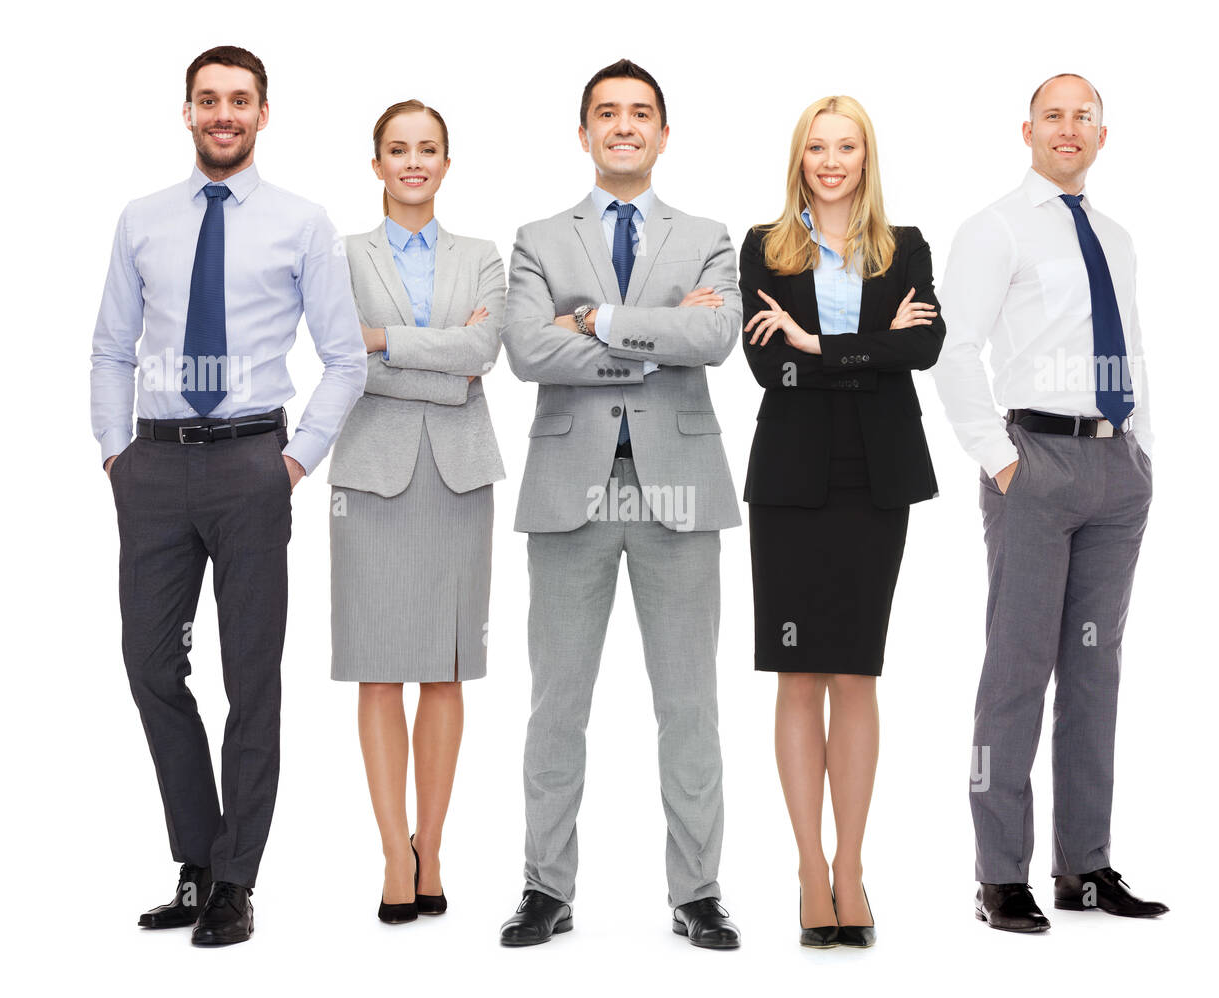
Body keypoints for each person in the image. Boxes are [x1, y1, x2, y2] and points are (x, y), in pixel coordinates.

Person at [90, 45, 367, 946]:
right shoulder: (143, 220)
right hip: (158, 468)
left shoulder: (302, 222)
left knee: (252, 678)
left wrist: (292, 463)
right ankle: (196, 858)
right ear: (187, 112)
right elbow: (110, 348)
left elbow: (344, 357)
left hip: (252, 464)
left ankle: (235, 878)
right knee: (151, 667)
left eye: (239, 100)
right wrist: (115, 456)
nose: (223, 114)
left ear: (262, 113)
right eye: (208, 100)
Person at [497, 58, 743, 949]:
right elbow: (525, 350)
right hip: (571, 493)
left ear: (664, 133)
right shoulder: (536, 235)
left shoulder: (710, 233)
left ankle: (699, 890)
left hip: (681, 489)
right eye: (609, 114)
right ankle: (544, 888)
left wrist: (594, 321)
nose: (625, 126)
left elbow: (714, 336)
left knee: (690, 704)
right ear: (585, 132)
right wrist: (653, 337)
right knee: (557, 703)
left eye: (641, 114)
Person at [931, 73, 1167, 934]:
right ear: (1027, 129)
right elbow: (952, 348)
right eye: (1055, 116)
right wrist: (1000, 462)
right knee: (1017, 671)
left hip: (1115, 471)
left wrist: (1145, 451)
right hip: (1032, 463)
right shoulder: (995, 229)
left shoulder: (1116, 236)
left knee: (1096, 671)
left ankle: (1086, 867)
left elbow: (1131, 348)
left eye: (1085, 118)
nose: (1069, 130)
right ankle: (1001, 874)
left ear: (1104, 135)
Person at [740, 96, 943, 949]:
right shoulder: (763, 247)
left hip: (875, 478)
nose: (831, 160)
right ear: (800, 158)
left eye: (846, 146)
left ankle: (851, 867)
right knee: (798, 676)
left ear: (867, 158)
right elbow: (762, 362)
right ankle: (807, 869)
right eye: (817, 147)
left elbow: (924, 351)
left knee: (856, 672)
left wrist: (817, 344)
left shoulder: (907, 248)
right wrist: (866, 346)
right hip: (789, 480)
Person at [327, 100, 505, 924]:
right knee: (377, 664)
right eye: (397, 149)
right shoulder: (341, 257)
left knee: (444, 665)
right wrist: (442, 361)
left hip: (459, 475)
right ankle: (389, 850)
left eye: (426, 149)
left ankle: (431, 848)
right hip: (370, 475)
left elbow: (485, 354)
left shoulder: (483, 257)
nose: (412, 162)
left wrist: (386, 339)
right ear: (376, 165)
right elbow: (343, 360)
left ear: (445, 162)